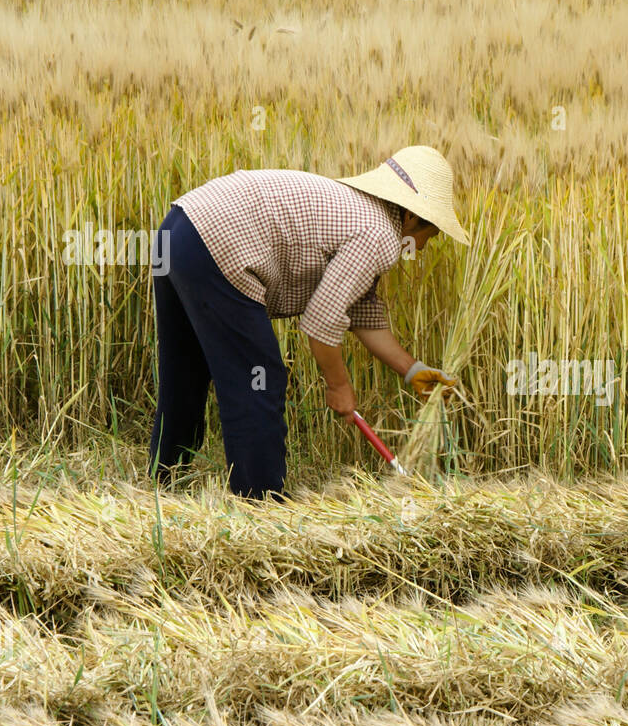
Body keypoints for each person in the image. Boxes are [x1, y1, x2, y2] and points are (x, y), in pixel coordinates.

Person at [147, 145, 468, 501]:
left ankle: (164, 484)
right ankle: (261, 505)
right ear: (410, 216)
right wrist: (338, 387)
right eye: (430, 235)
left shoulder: (361, 213)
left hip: (177, 231)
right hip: (219, 242)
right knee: (260, 378)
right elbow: (322, 321)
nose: (422, 247)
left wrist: (414, 372)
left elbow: (360, 313)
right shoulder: (379, 234)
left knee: (185, 368)